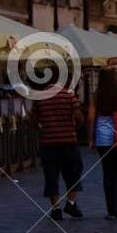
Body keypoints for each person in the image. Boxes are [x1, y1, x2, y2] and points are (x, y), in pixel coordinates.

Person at [32, 81, 85, 222]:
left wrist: (43, 129)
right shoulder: (68, 95)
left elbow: (33, 120)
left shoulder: (40, 96)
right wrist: (76, 126)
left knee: (51, 176)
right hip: (69, 141)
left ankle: (56, 209)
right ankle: (70, 203)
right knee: (74, 172)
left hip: (48, 143)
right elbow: (79, 116)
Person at [88, 69, 117, 220]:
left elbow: (90, 117)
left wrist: (91, 138)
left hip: (103, 139)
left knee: (107, 173)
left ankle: (110, 210)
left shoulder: (97, 94)